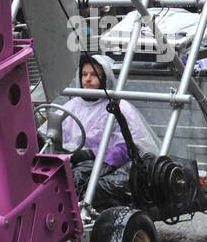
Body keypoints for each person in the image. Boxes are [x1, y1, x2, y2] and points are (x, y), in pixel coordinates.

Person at [60, 52, 159, 208]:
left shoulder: (119, 108)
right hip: (76, 160)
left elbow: (132, 147)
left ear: (104, 78)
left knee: (76, 177)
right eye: (84, 74)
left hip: (112, 163)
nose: (87, 79)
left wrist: (91, 153)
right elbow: (53, 135)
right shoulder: (72, 106)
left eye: (93, 75)